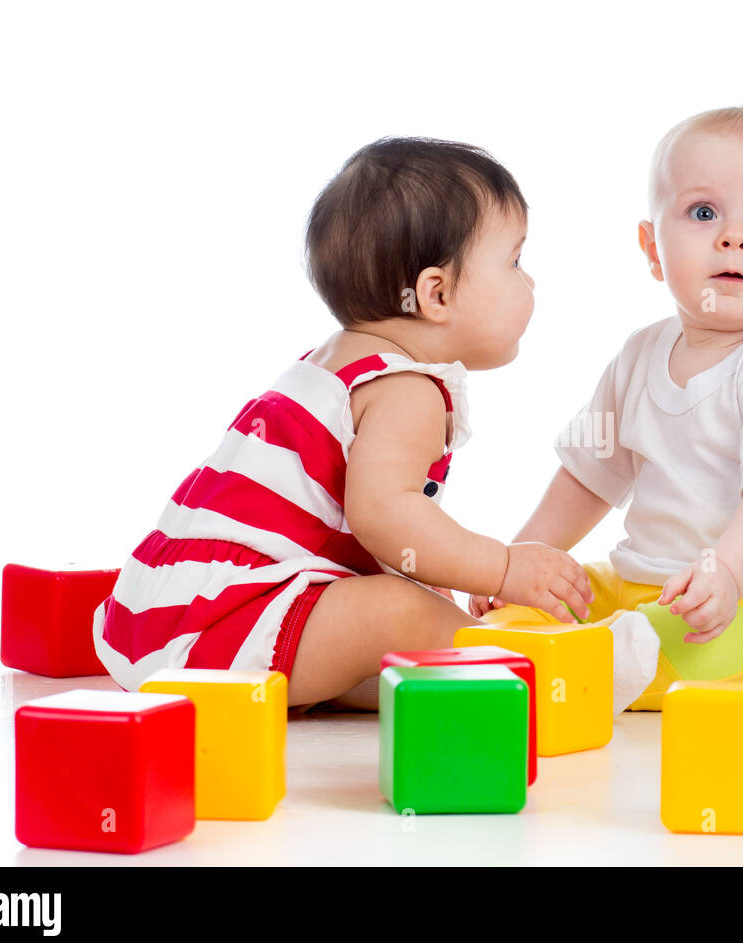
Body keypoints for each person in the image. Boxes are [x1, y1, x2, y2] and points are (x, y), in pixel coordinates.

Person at [92, 136, 599, 712]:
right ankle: (531, 688)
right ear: (435, 293)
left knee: (408, 602)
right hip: (213, 633)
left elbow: (350, 530)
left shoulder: (334, 362)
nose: (529, 283)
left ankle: (416, 681)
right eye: (514, 261)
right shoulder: (406, 390)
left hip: (155, 619)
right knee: (400, 612)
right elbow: (383, 515)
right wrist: (502, 567)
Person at [471, 108, 743, 712]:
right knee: (550, 597)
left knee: (714, 650)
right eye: (703, 213)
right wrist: (517, 565)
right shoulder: (639, 355)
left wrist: (727, 576)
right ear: (653, 249)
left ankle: (580, 667)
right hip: (642, 586)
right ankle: (558, 654)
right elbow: (587, 476)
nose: (736, 237)